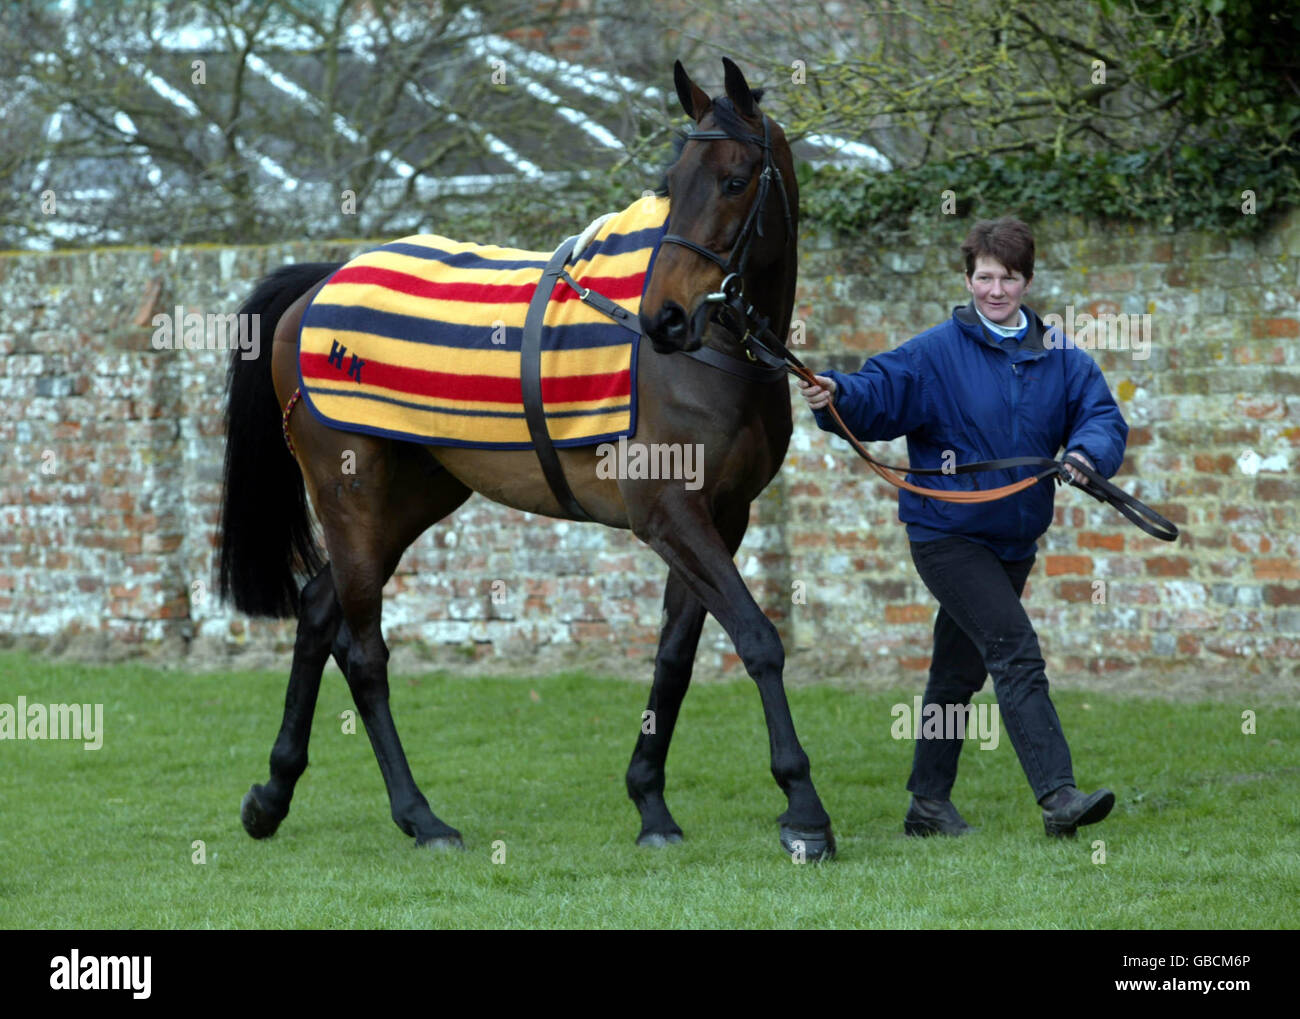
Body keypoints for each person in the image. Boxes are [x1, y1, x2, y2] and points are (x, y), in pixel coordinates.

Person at [799, 216, 1121, 838]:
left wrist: (1085, 454)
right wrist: (837, 393)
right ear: (968, 279)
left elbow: (1100, 416)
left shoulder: (1062, 357)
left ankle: (927, 807)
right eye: (983, 277)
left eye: (1007, 278)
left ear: (1027, 281)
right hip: (946, 534)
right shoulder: (933, 353)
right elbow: (877, 394)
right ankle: (1059, 798)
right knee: (1014, 651)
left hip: (1014, 538)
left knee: (956, 673)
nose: (994, 290)